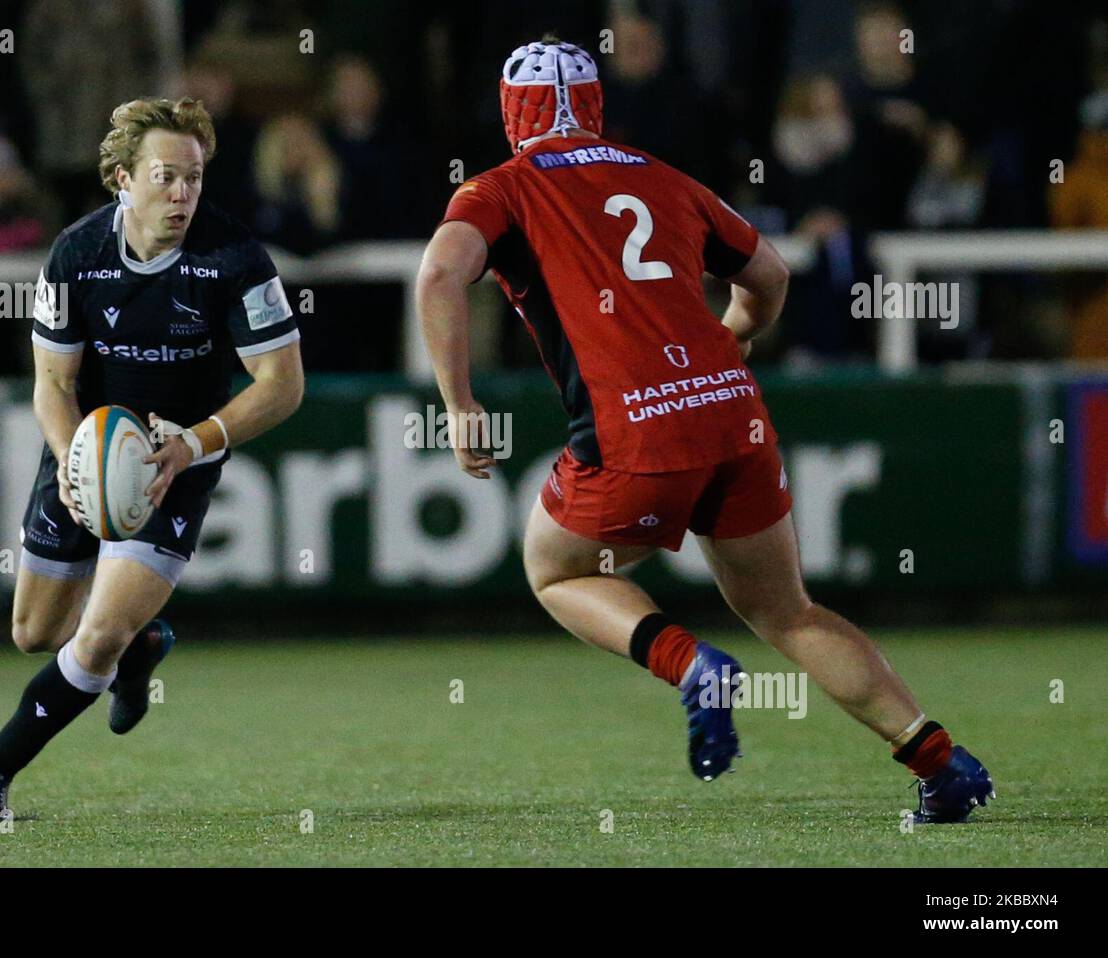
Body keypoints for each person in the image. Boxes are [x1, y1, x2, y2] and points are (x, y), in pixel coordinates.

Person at [416, 38, 994, 823]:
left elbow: (441, 273)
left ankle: (691, 665)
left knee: (554, 569)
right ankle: (941, 764)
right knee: (788, 610)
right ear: (595, 103)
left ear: (509, 112)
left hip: (635, 429)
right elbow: (771, 276)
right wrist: (735, 334)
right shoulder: (658, 174)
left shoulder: (502, 188)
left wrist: (458, 403)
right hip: (731, 407)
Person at [0, 97, 304, 821]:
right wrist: (74, 463)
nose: (182, 195)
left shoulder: (233, 257)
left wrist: (193, 444)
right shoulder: (77, 254)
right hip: (83, 448)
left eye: (194, 178)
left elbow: (282, 385)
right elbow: (51, 384)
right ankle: (145, 645)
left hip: (176, 461)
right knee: (34, 634)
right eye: (164, 177)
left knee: (96, 636)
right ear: (121, 178)